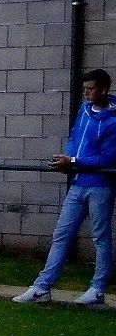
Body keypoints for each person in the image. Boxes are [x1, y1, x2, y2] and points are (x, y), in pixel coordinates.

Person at [15, 69, 116, 306]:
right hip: (78, 183)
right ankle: (42, 287)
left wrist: (73, 162)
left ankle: (97, 289)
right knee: (61, 234)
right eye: (85, 89)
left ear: (103, 89)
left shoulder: (113, 119)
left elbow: (109, 158)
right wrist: (68, 159)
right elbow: (74, 138)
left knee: (100, 238)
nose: (87, 93)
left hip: (100, 186)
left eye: (91, 89)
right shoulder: (84, 110)